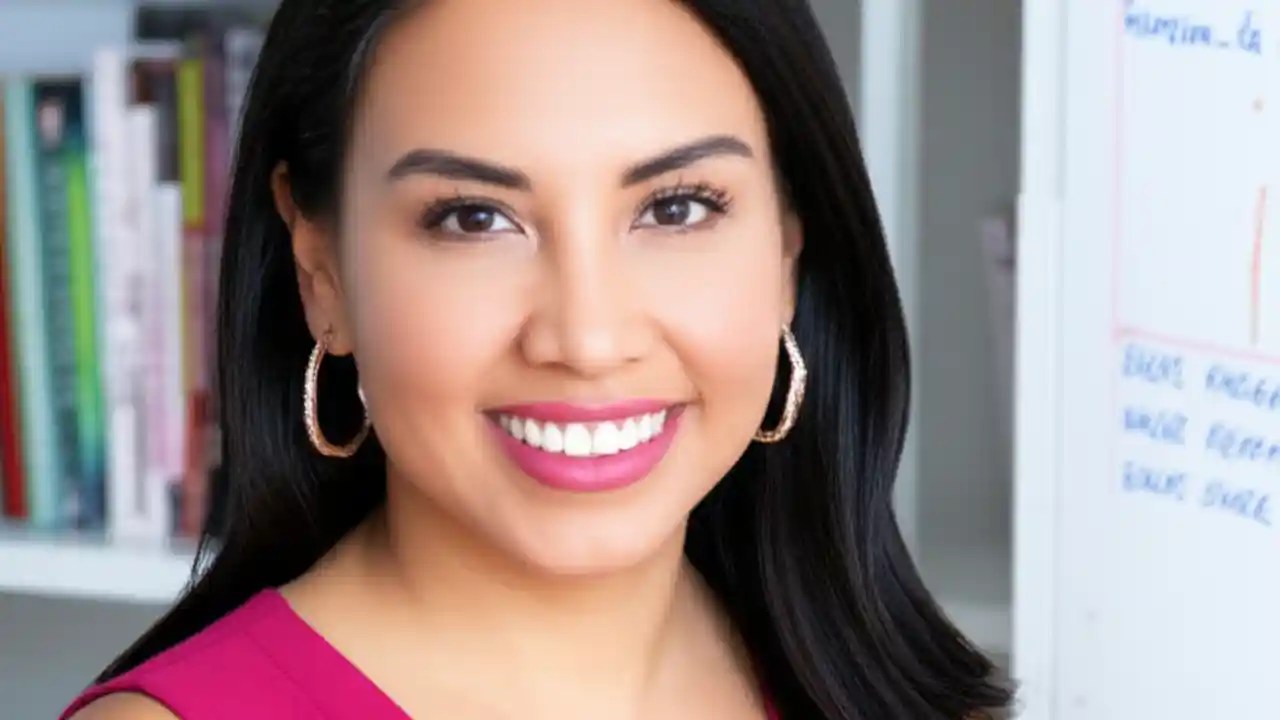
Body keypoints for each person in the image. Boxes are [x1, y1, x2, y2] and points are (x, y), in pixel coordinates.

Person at [64, 0, 1013, 717]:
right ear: (322, 270)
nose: (587, 339)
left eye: (676, 207)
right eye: (474, 218)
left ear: (789, 250)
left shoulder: (899, 698)